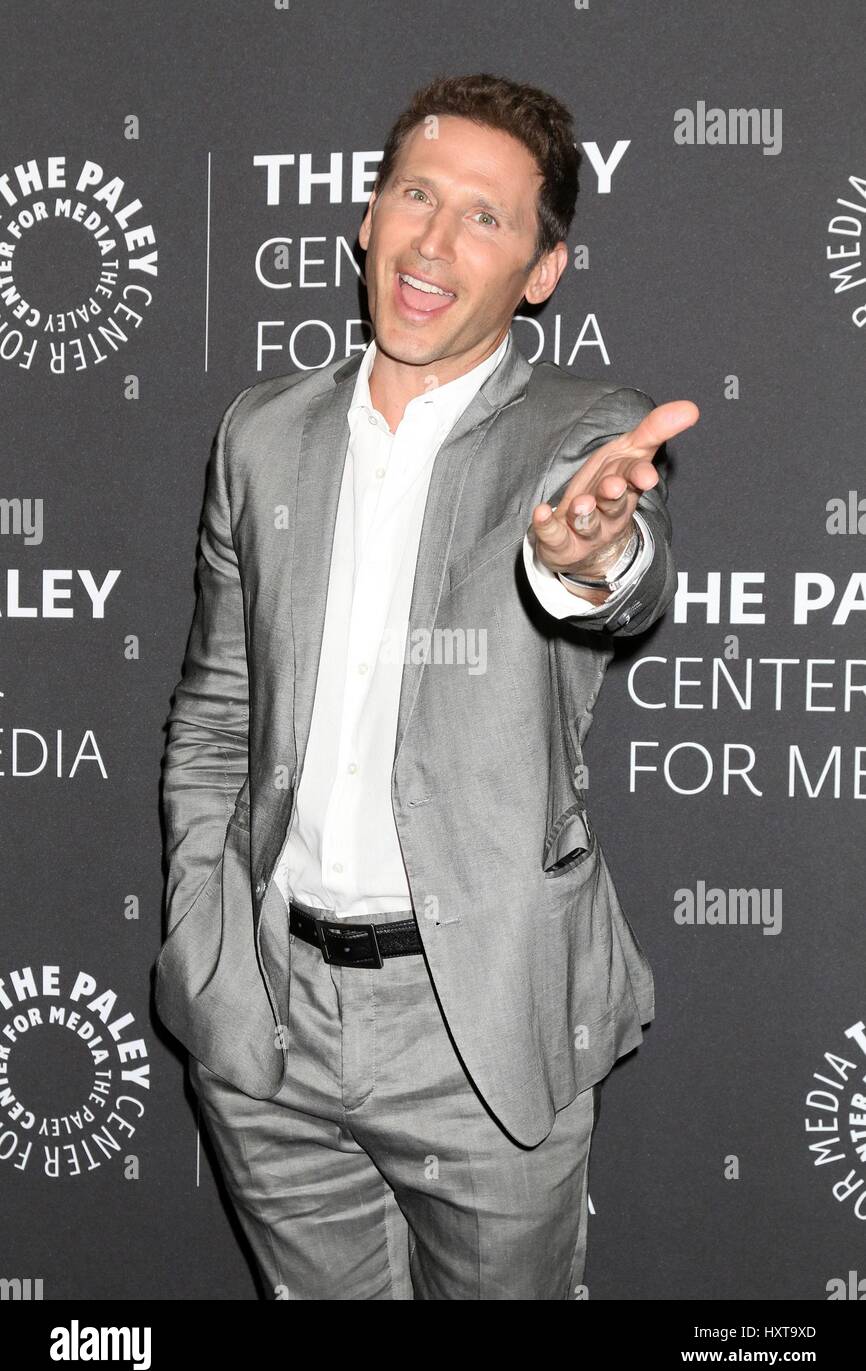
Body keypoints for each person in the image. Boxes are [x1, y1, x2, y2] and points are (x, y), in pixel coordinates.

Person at [154, 71, 698, 1300]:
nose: (433, 241)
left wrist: (585, 557)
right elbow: (216, 713)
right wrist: (211, 942)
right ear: (366, 215)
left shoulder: (579, 433)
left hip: (481, 1034)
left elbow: (620, 565)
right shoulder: (260, 433)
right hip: (267, 1018)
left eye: (487, 218)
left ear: (541, 271)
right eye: (415, 193)